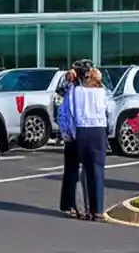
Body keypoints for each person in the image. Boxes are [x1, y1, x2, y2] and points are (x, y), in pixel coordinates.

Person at [72, 66, 110, 221]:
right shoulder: (102, 92)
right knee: (98, 169)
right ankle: (98, 209)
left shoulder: (77, 91)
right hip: (98, 130)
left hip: (82, 129)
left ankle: (88, 209)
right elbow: (108, 108)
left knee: (86, 171)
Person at [55, 66, 81, 218]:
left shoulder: (66, 90)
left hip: (68, 134)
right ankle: (72, 205)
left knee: (70, 170)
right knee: (76, 172)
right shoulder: (76, 91)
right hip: (76, 133)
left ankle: (67, 204)